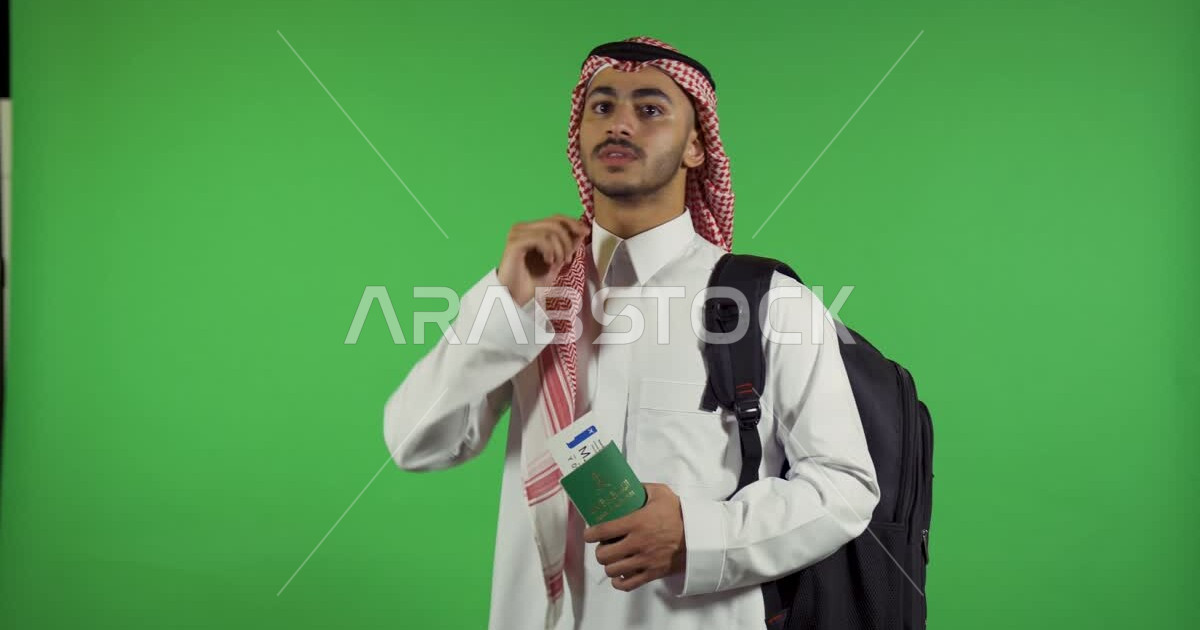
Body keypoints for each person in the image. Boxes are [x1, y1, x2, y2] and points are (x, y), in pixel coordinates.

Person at [383, 36, 880, 630]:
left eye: (649, 108)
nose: (620, 123)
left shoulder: (768, 302)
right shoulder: (532, 291)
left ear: (696, 146)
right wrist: (503, 302)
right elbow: (415, 442)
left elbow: (845, 486)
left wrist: (696, 536)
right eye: (602, 106)